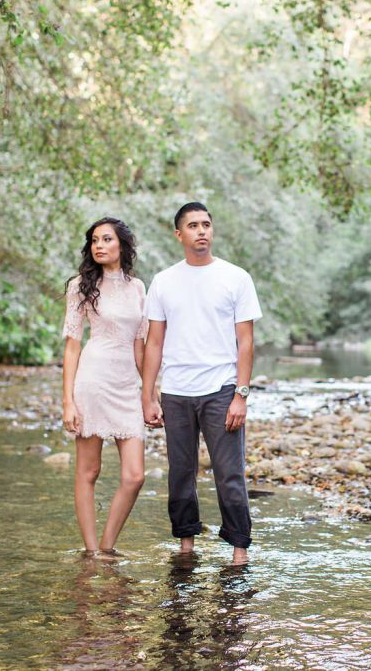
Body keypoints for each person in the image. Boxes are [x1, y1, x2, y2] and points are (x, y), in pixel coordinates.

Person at [141, 202, 262, 566]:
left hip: (221, 390)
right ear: (179, 234)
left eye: (206, 224)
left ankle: (239, 550)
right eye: (193, 225)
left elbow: (246, 342)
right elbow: (154, 343)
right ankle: (186, 546)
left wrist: (241, 394)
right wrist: (148, 395)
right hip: (176, 391)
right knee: (180, 473)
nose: (201, 231)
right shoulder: (163, 281)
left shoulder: (236, 277)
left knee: (229, 474)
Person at [62, 217, 148, 557]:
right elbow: (72, 345)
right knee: (89, 471)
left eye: (107, 239)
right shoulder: (81, 286)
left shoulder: (138, 287)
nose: (99, 245)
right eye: (95, 240)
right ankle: (92, 551)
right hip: (93, 379)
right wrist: (68, 401)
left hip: (127, 385)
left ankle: (108, 546)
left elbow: (140, 346)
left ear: (122, 245)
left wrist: (150, 393)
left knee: (135, 476)